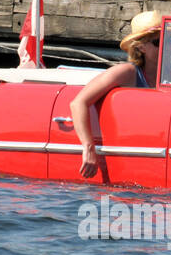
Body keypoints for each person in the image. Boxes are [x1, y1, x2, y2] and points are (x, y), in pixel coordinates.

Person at [69, 10, 162, 179]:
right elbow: (78, 103)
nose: (166, 46)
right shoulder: (127, 72)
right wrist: (89, 148)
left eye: (169, 41)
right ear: (141, 47)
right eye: (158, 41)